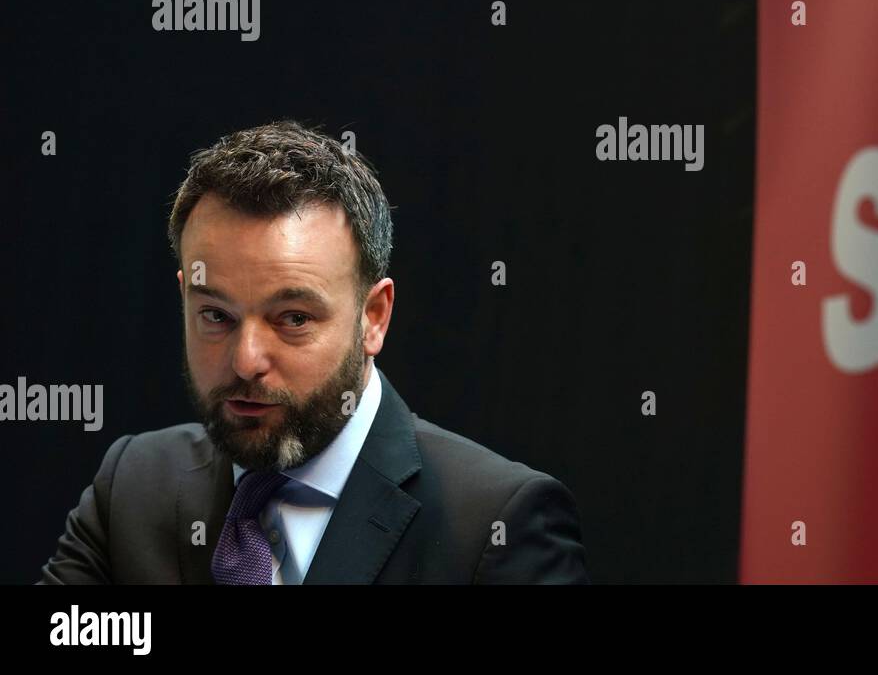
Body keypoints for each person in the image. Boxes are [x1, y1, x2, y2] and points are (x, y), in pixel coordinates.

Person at [37, 121, 589, 584]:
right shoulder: (133, 484)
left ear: (374, 317)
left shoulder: (495, 524)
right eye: (215, 316)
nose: (246, 360)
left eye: (293, 319)